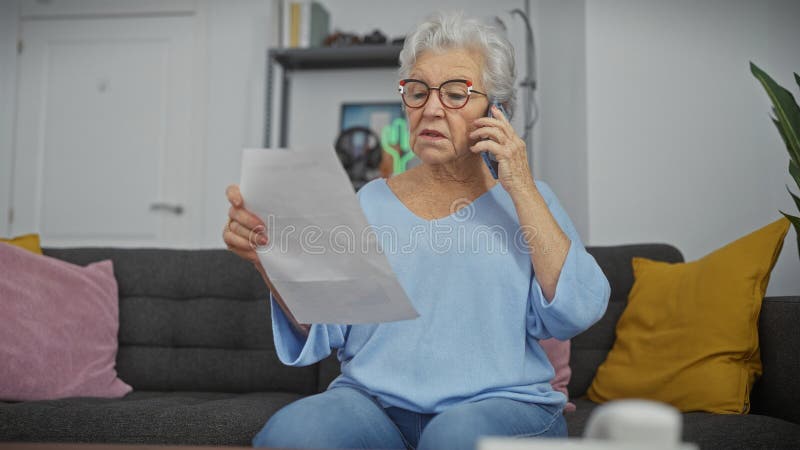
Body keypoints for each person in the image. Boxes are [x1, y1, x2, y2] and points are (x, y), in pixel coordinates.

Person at [223, 12, 610, 450]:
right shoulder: (368, 201)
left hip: (503, 403)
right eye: (418, 91)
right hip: (373, 404)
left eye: (456, 93)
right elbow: (324, 324)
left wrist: (517, 182)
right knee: (291, 435)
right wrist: (266, 258)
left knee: (452, 438)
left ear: (496, 110)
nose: (431, 108)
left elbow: (577, 310)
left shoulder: (530, 200)